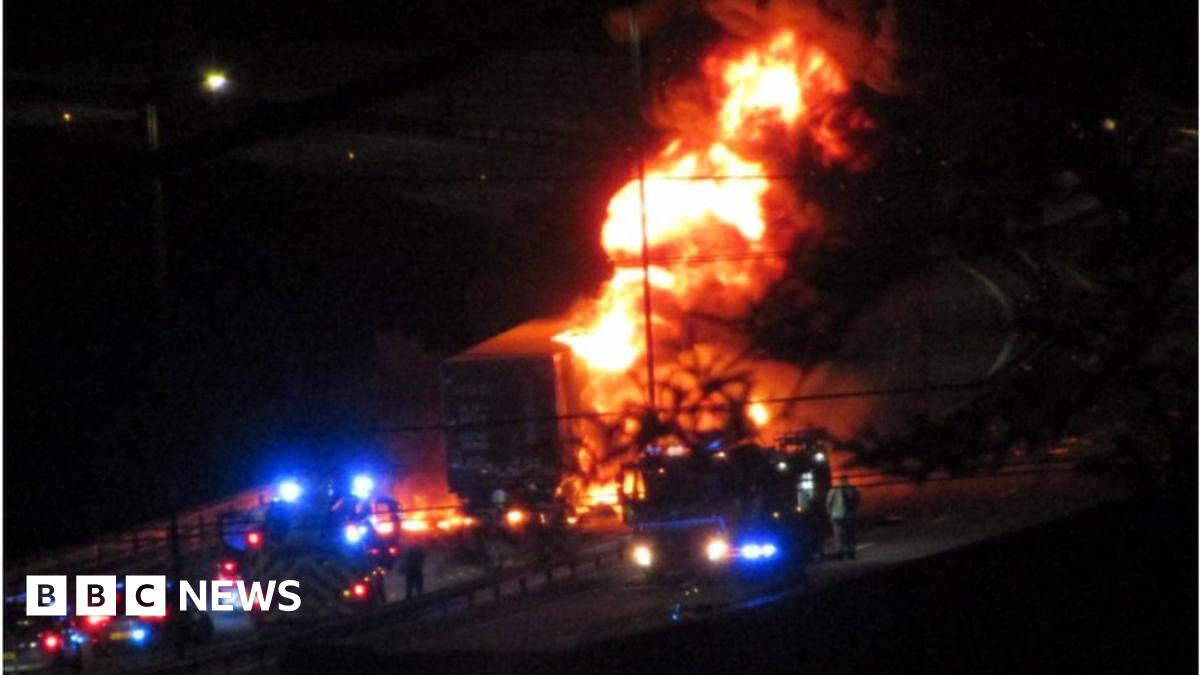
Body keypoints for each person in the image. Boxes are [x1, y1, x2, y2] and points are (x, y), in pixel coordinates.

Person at [825, 474, 861, 560]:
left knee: (838, 536)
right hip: (849, 515)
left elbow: (828, 502)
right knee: (850, 535)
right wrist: (855, 510)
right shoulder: (852, 489)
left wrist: (829, 513)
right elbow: (857, 500)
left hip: (836, 515)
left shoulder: (834, 489)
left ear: (839, 481)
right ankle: (851, 552)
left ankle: (839, 553)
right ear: (847, 480)